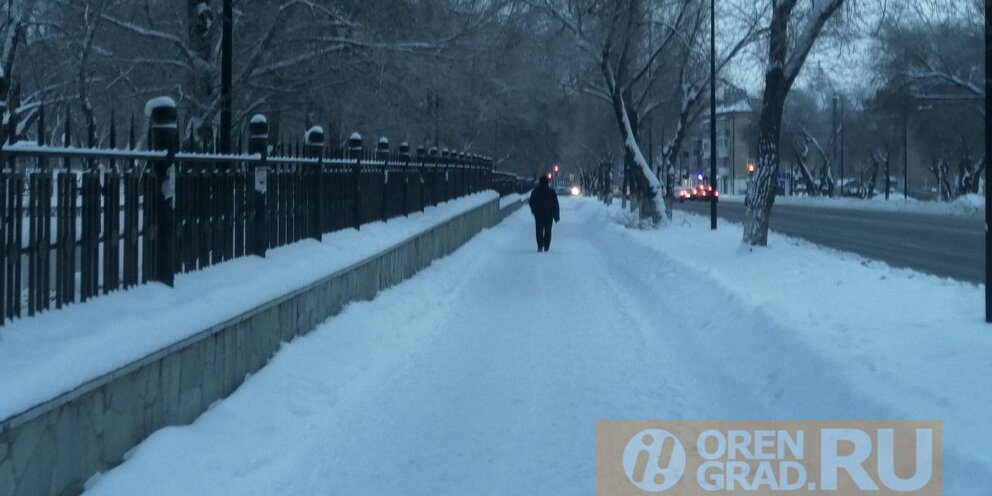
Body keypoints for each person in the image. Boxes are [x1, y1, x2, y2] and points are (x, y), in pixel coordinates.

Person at [528, 175, 560, 252]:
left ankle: (540, 246)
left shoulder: (535, 192)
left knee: (539, 230)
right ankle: (546, 246)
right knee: (548, 230)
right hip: (549, 215)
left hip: (538, 214)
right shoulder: (552, 192)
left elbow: (531, 202)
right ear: (547, 182)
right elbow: (556, 204)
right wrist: (556, 215)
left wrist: (534, 210)